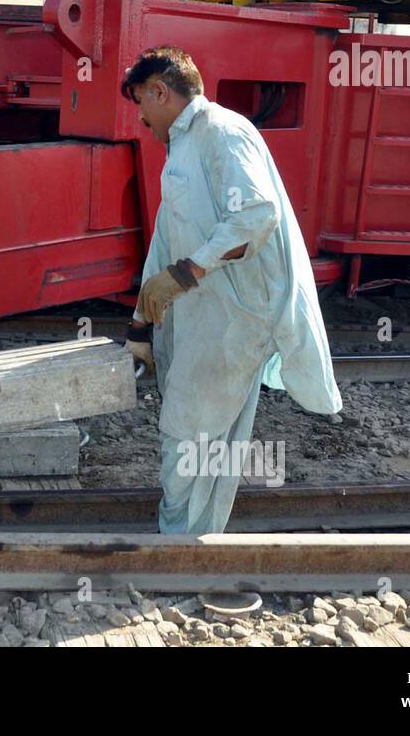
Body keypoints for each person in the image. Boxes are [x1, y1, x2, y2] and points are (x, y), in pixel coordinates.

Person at [121, 47, 342, 534]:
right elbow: (166, 239)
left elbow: (255, 216)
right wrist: (139, 326)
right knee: (196, 434)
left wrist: (185, 274)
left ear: (160, 91)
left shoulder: (223, 131)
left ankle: (182, 546)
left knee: (191, 433)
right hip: (205, 314)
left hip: (232, 318)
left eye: (141, 102)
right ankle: (188, 539)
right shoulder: (184, 144)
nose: (140, 116)